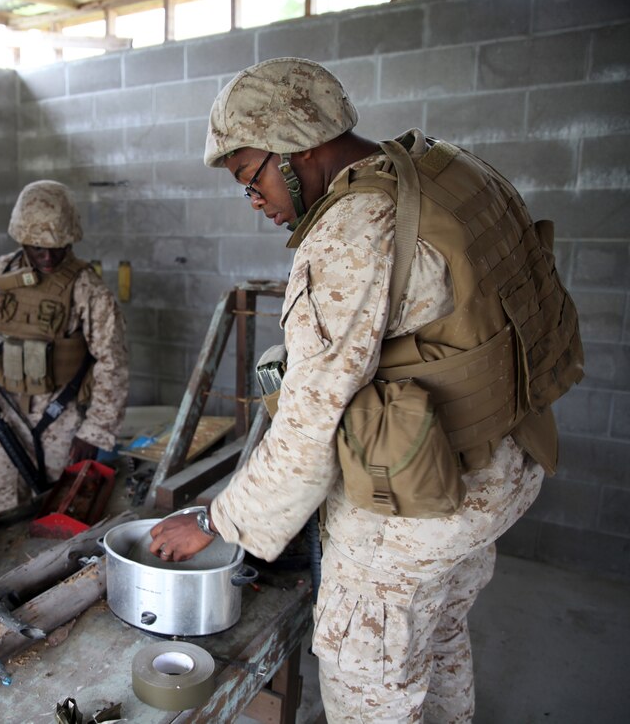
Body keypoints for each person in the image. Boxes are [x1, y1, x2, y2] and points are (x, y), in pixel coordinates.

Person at [149, 58, 583, 722]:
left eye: (251, 177)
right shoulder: (450, 169)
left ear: (301, 142)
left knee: (371, 679)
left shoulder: (351, 229)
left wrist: (214, 521)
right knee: (436, 636)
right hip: (505, 461)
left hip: (424, 508)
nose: (255, 200)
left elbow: (309, 423)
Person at [0, 180, 129, 513]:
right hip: (2, 414)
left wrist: (95, 432)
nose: (49, 256)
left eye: (58, 246)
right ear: (22, 238)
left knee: (61, 516)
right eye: (38, 247)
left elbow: (113, 363)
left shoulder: (87, 289)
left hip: (62, 420)